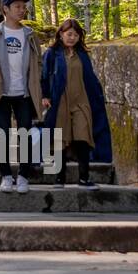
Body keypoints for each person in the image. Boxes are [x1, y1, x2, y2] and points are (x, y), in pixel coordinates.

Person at [0, 0, 43, 193]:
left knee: (26, 135)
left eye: (23, 7)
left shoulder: (29, 34)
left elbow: (38, 60)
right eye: (18, 6)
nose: (22, 10)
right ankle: (5, 175)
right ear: (6, 9)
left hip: (24, 93)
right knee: (3, 135)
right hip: (1, 94)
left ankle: (23, 176)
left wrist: (35, 79)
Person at [42, 18, 113, 189]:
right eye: (69, 34)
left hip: (82, 100)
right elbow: (44, 76)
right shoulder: (52, 53)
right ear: (61, 34)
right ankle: (59, 178)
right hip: (61, 101)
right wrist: (45, 96)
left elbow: (90, 77)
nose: (72, 38)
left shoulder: (82, 54)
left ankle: (84, 178)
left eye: (75, 35)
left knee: (83, 137)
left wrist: (97, 95)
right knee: (60, 139)